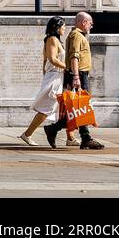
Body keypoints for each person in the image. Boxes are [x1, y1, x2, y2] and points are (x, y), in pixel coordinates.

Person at [44, 11, 104, 150]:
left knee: (79, 108)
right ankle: (83, 137)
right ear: (83, 22)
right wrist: (76, 76)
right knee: (81, 106)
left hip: (79, 74)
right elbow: (74, 57)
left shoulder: (75, 35)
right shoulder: (77, 36)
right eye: (90, 23)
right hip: (79, 75)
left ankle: (59, 131)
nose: (91, 26)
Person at [19, 17, 66, 145]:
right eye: (63, 26)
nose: (65, 28)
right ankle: (27, 134)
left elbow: (45, 61)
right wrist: (66, 68)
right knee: (46, 108)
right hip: (55, 77)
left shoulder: (56, 41)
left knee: (53, 109)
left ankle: (69, 137)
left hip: (56, 76)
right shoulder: (52, 39)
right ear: (57, 27)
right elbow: (51, 59)